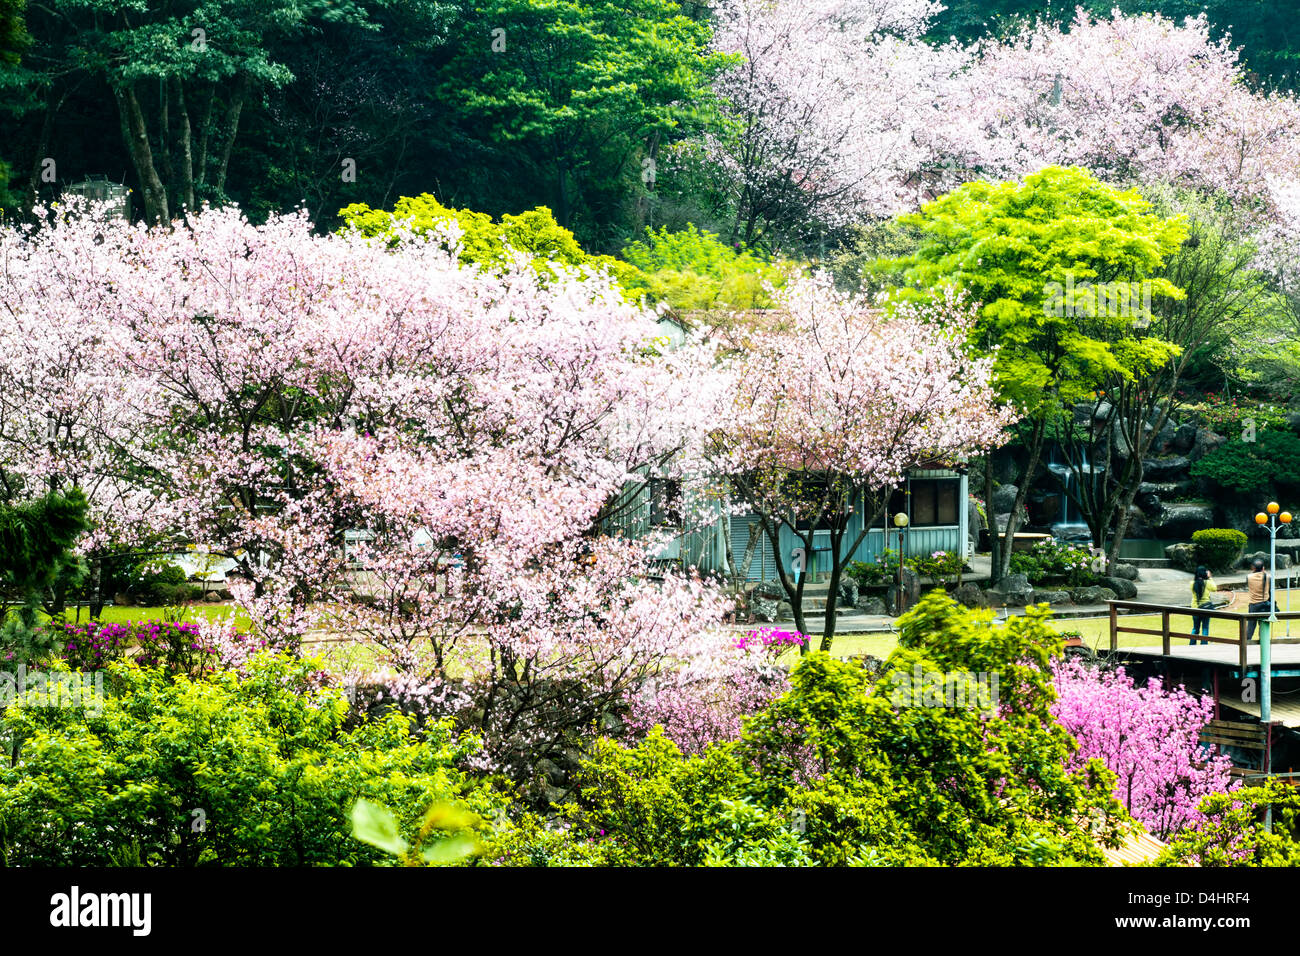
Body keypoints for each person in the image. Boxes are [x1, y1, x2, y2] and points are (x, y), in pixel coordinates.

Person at [1244, 558, 1275, 640]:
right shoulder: (1268, 577)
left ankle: (1246, 642)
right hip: (1265, 603)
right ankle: (1263, 642)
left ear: (1253, 568)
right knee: (1263, 625)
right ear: (1263, 568)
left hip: (1253, 604)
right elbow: (1270, 589)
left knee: (1250, 626)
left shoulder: (1249, 577)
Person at [1189, 565, 1220, 645]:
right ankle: (1203, 644)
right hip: (1205, 608)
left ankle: (1192, 644)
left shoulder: (1192, 583)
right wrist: (1210, 578)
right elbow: (1214, 588)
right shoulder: (1207, 583)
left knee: (1195, 627)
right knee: (1205, 627)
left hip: (1195, 608)